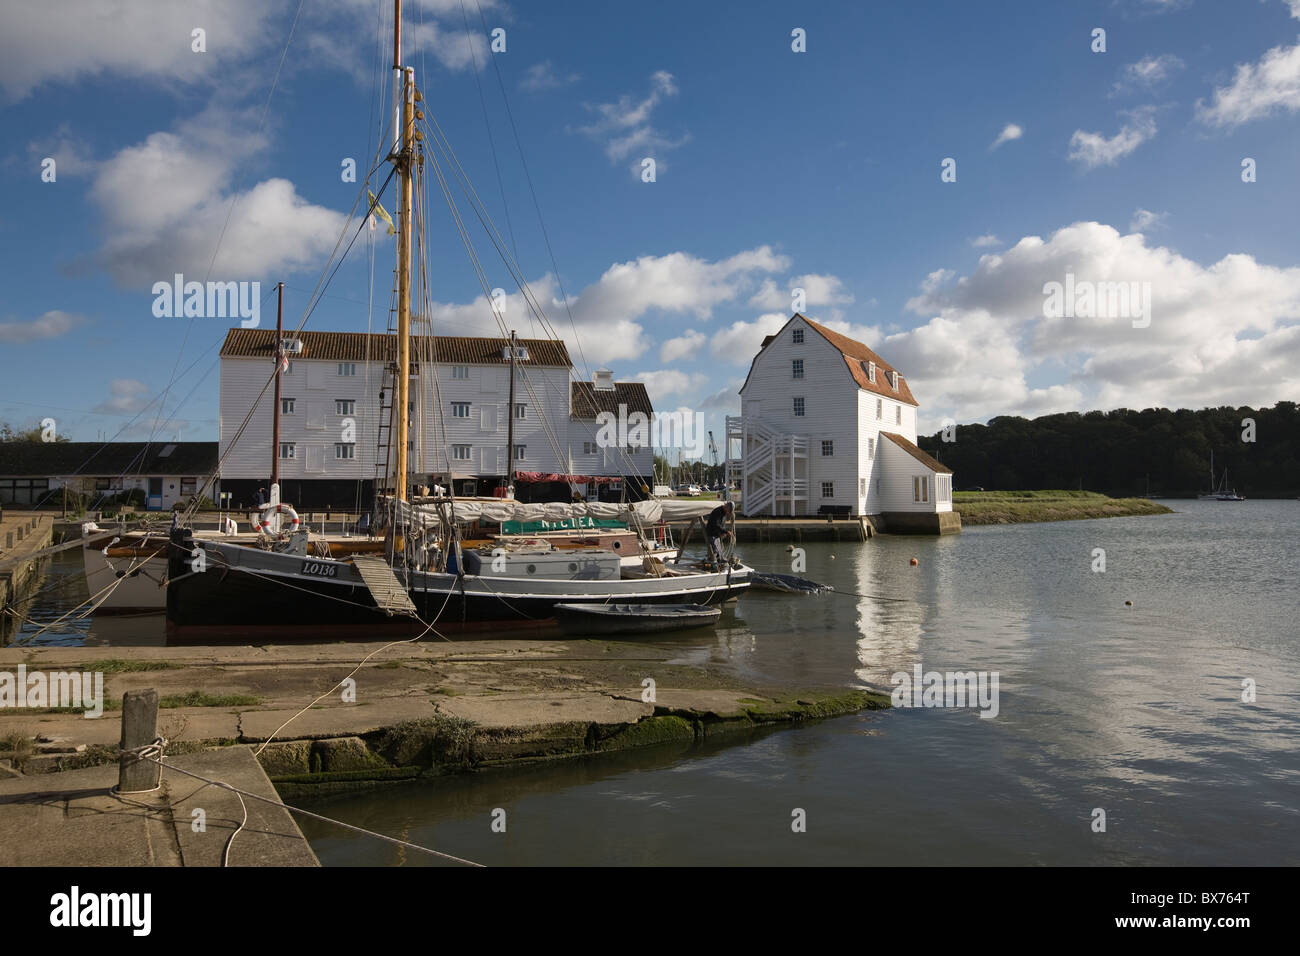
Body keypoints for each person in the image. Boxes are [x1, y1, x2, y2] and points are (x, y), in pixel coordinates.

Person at [705, 500, 734, 567]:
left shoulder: (723, 512)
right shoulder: (717, 512)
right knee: (715, 551)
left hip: (716, 534)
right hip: (712, 534)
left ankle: (720, 564)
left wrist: (722, 532)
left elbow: (721, 525)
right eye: (728, 510)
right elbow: (716, 525)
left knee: (719, 551)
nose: (728, 512)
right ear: (726, 507)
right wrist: (726, 531)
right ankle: (715, 566)